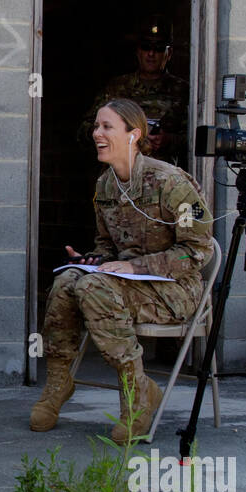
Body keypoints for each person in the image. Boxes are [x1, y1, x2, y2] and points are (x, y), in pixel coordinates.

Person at [32, 98, 214, 443]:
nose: (96, 133)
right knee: (68, 281)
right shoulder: (105, 185)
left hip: (176, 289)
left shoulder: (171, 183)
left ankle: (136, 394)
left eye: (106, 127)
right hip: (125, 285)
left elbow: (198, 251)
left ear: (134, 134)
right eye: (96, 126)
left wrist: (135, 265)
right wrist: (92, 260)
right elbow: (107, 246)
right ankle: (59, 382)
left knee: (91, 289)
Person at [83, 16, 191, 171]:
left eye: (159, 48)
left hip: (162, 180)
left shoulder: (182, 91)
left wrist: (169, 140)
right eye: (146, 47)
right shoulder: (116, 88)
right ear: (138, 51)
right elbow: (85, 132)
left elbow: (197, 139)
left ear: (169, 53)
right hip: (119, 179)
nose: (151, 54)